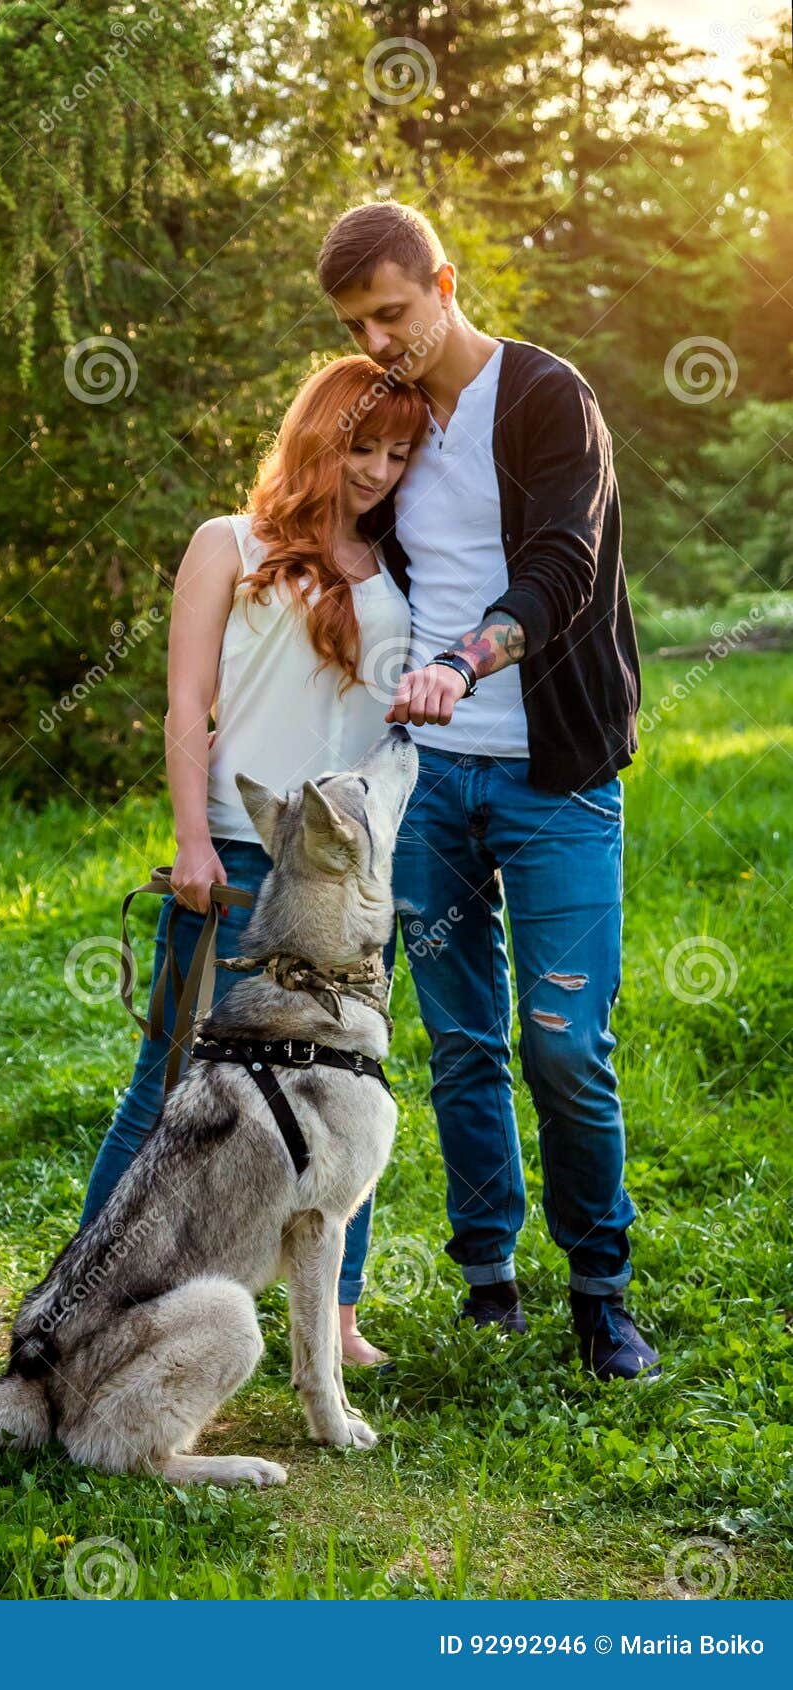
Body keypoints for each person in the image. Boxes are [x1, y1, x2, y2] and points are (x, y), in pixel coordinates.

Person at [317, 200, 660, 1380]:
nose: (377, 339)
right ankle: (487, 1281)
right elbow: (342, 533)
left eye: (392, 312)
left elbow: (565, 562)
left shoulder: (546, 394)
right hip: (432, 778)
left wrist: (465, 659)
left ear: (445, 281)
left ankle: (600, 1291)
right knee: (460, 1041)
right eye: (359, 323)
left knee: (562, 1041)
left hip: (552, 771)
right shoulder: (388, 417)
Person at [78, 354, 429, 1365]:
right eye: (360, 446)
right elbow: (187, 704)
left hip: (350, 877)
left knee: (347, 1086)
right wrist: (191, 837)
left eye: (397, 454)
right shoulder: (226, 544)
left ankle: (339, 1317)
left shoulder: (398, 569)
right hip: (239, 851)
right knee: (171, 1080)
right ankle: (89, 1299)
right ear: (317, 435)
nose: (376, 470)